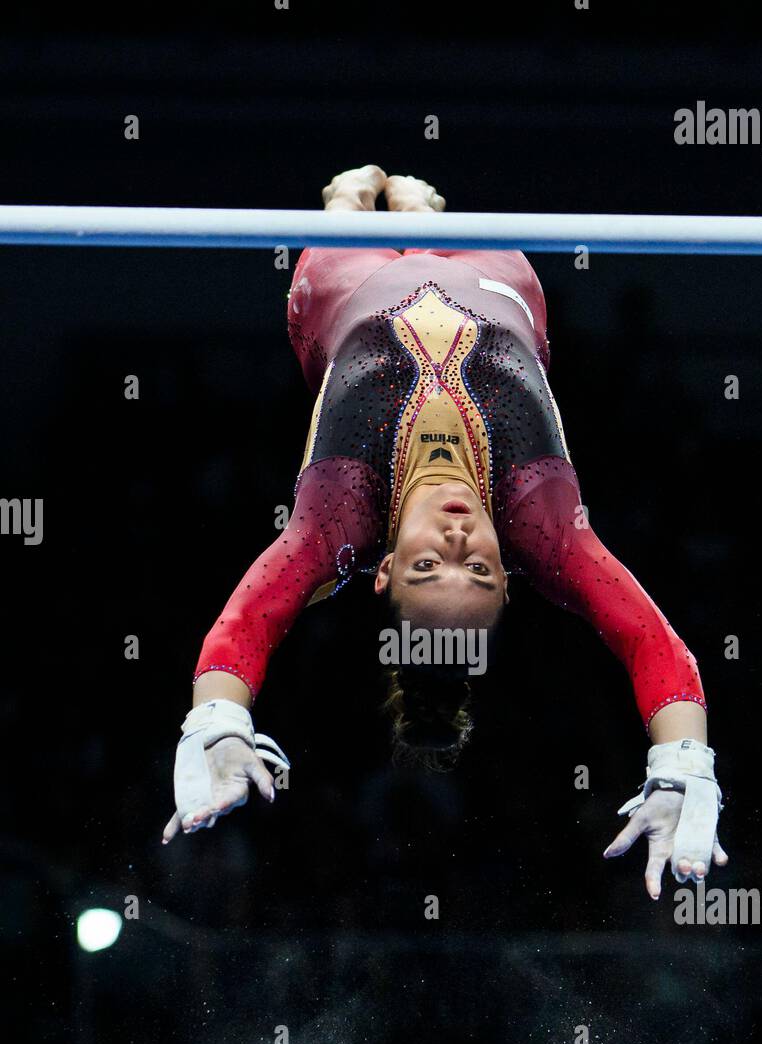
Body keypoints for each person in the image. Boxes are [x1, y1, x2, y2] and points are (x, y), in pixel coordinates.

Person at [163, 166, 728, 899]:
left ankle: (356, 210)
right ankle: (421, 215)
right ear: (511, 575)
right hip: (499, 284)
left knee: (340, 230)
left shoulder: (337, 514)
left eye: (430, 567)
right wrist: (682, 765)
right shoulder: (546, 528)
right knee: (457, 229)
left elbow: (247, 623)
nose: (461, 544)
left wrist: (220, 721)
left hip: (344, 291)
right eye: (485, 572)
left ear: (385, 572)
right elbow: (653, 643)